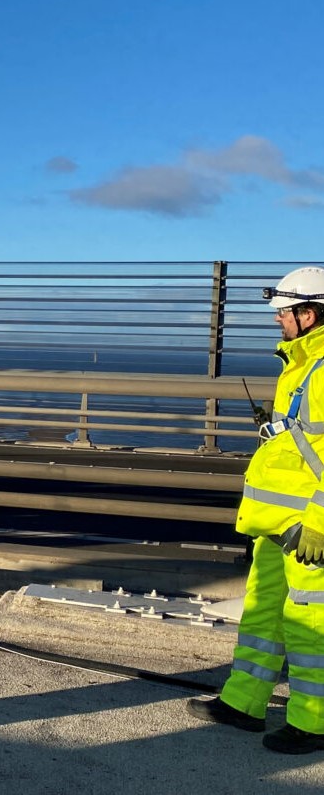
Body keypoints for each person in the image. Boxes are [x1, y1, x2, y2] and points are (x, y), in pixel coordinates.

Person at [187, 266, 324, 754]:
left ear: (308, 314)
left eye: (284, 313)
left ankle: (314, 722)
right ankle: (244, 702)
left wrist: (318, 524)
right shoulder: (303, 365)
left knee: (311, 623)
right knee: (265, 613)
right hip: (278, 522)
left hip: (310, 528)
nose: (278, 322)